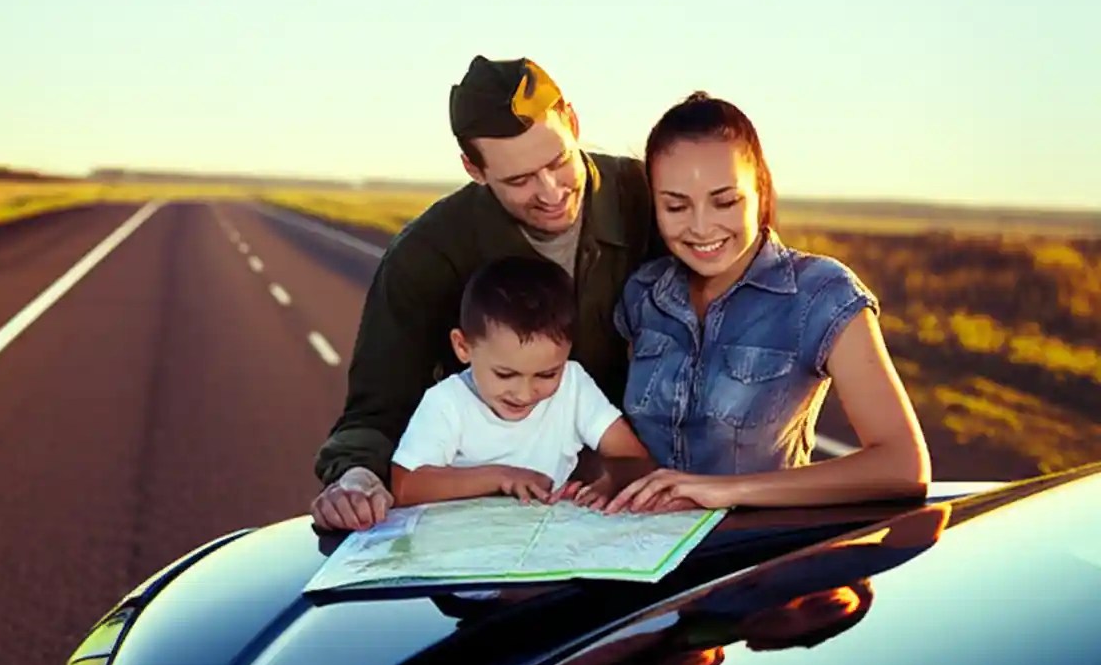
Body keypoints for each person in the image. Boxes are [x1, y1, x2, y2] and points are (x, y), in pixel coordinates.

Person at [309, 55, 663, 531]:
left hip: (637, 497)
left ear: (573, 122)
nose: (551, 191)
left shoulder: (653, 198)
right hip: (490, 525)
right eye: (518, 180)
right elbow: (377, 407)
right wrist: (356, 477)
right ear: (474, 170)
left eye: (558, 160)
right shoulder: (428, 253)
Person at [603, 91, 932, 514]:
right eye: (676, 206)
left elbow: (903, 464)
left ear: (759, 189)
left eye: (725, 201)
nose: (701, 227)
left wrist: (727, 491)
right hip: (641, 555)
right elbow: (616, 437)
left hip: (759, 560)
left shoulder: (822, 293)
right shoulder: (642, 293)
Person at [389, 256, 655, 509]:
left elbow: (633, 456)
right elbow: (405, 486)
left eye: (547, 374)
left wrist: (610, 481)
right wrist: (501, 477)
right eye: (505, 375)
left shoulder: (573, 385)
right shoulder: (448, 401)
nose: (524, 394)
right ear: (463, 347)